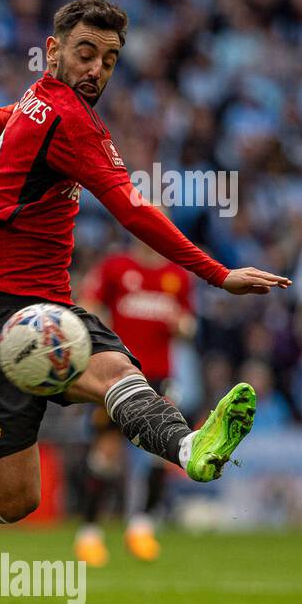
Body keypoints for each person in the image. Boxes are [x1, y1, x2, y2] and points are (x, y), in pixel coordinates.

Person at [0, 0, 290, 549]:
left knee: (116, 375)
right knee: (14, 501)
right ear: (54, 51)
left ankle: (191, 450)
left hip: (51, 311)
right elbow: (131, 208)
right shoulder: (56, 111)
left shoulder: (55, 106)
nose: (96, 70)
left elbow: (6, 120)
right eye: (86, 54)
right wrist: (216, 272)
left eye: (108, 61)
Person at [73, 230, 196, 566]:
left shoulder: (177, 276)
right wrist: (98, 323)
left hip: (159, 377)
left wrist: (181, 324)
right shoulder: (116, 267)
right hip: (117, 374)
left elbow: (189, 325)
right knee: (106, 452)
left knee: (160, 452)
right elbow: (88, 301)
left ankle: (141, 526)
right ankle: (89, 533)